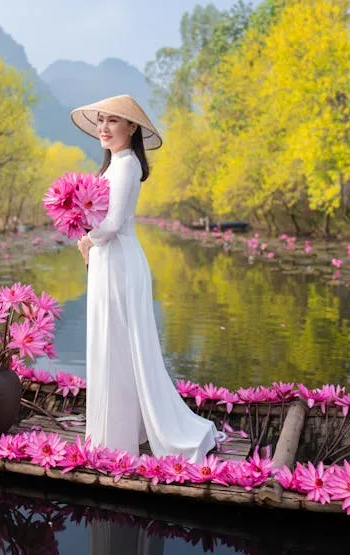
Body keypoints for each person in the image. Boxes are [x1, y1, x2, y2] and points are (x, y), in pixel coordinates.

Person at [71, 94, 218, 462]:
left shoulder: (126, 165)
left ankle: (118, 437)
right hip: (109, 262)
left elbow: (114, 224)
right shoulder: (114, 165)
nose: (104, 128)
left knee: (120, 343)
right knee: (113, 344)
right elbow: (102, 219)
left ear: (132, 127)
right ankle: (118, 430)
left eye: (113, 121)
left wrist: (88, 238)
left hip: (120, 263)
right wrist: (80, 224)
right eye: (101, 120)